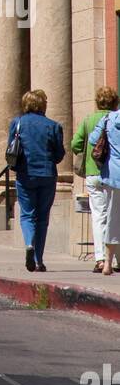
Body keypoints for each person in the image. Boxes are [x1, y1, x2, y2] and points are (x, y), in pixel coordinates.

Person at [8, 89, 65, 273]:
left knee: (27, 214)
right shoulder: (53, 126)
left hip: (25, 174)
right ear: (42, 105)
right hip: (47, 174)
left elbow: (10, 150)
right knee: (42, 217)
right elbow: (59, 154)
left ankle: (28, 245)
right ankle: (38, 259)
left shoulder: (17, 123)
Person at [71, 85, 119, 273]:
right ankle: (114, 259)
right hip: (112, 173)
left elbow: (76, 143)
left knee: (99, 216)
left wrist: (85, 153)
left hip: (93, 173)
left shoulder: (89, 119)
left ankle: (100, 258)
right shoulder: (114, 118)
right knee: (114, 215)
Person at [89, 97, 120, 275]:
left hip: (113, 174)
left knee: (112, 218)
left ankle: (107, 263)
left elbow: (94, 140)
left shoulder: (108, 119)